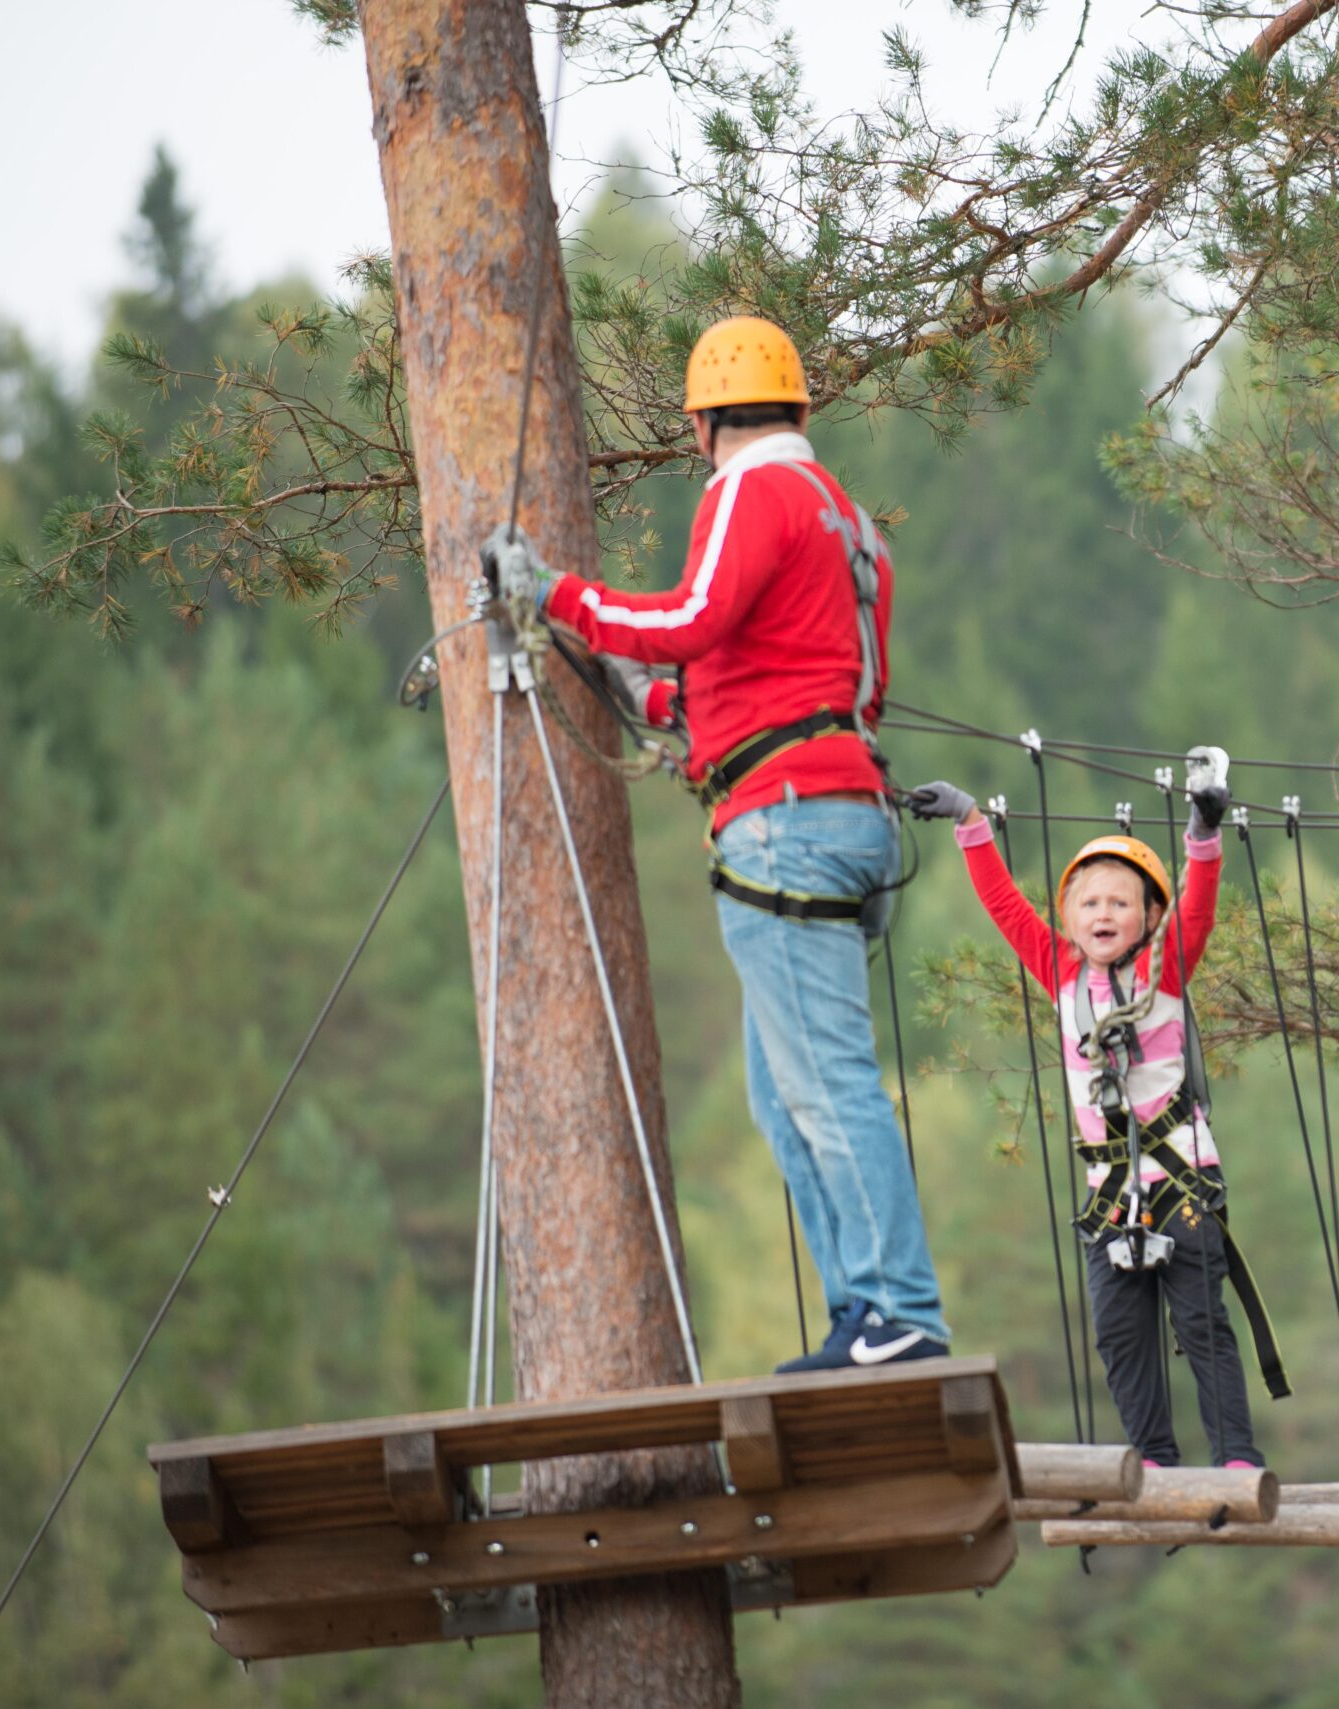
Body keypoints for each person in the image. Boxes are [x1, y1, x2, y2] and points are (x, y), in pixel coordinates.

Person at [484, 314, 949, 1373]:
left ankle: (899, 1309)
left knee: (823, 1084)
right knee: (781, 1093)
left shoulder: (752, 488)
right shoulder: (845, 517)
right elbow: (826, 680)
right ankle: (864, 1311)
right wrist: (657, 696)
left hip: (786, 819)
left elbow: (693, 614)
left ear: (702, 424)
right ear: (797, 405)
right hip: (839, 806)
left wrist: (555, 595)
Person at [902, 758, 1286, 1468]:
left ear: (1148, 919)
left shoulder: (1163, 970)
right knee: (1120, 1334)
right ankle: (1155, 1460)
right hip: (1109, 1196)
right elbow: (1006, 906)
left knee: (1202, 1321)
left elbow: (1197, 908)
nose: (1103, 914)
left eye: (1119, 903)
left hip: (1182, 1181)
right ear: (1069, 921)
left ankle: (1237, 1455)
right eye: (1089, 904)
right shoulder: (1060, 973)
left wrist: (1204, 833)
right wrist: (970, 821)